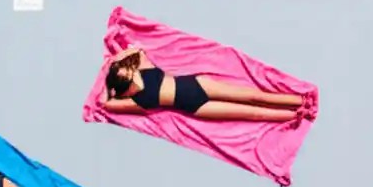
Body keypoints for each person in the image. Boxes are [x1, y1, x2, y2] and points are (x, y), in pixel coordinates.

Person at [102, 46, 314, 123]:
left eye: (127, 70)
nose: (129, 73)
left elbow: (136, 50)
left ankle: (301, 100)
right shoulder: (135, 101)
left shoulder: (143, 68)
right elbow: (105, 104)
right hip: (196, 107)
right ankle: (298, 115)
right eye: (125, 76)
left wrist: (113, 63)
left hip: (198, 85)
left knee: (253, 96)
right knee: (252, 114)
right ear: (122, 86)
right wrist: (108, 80)